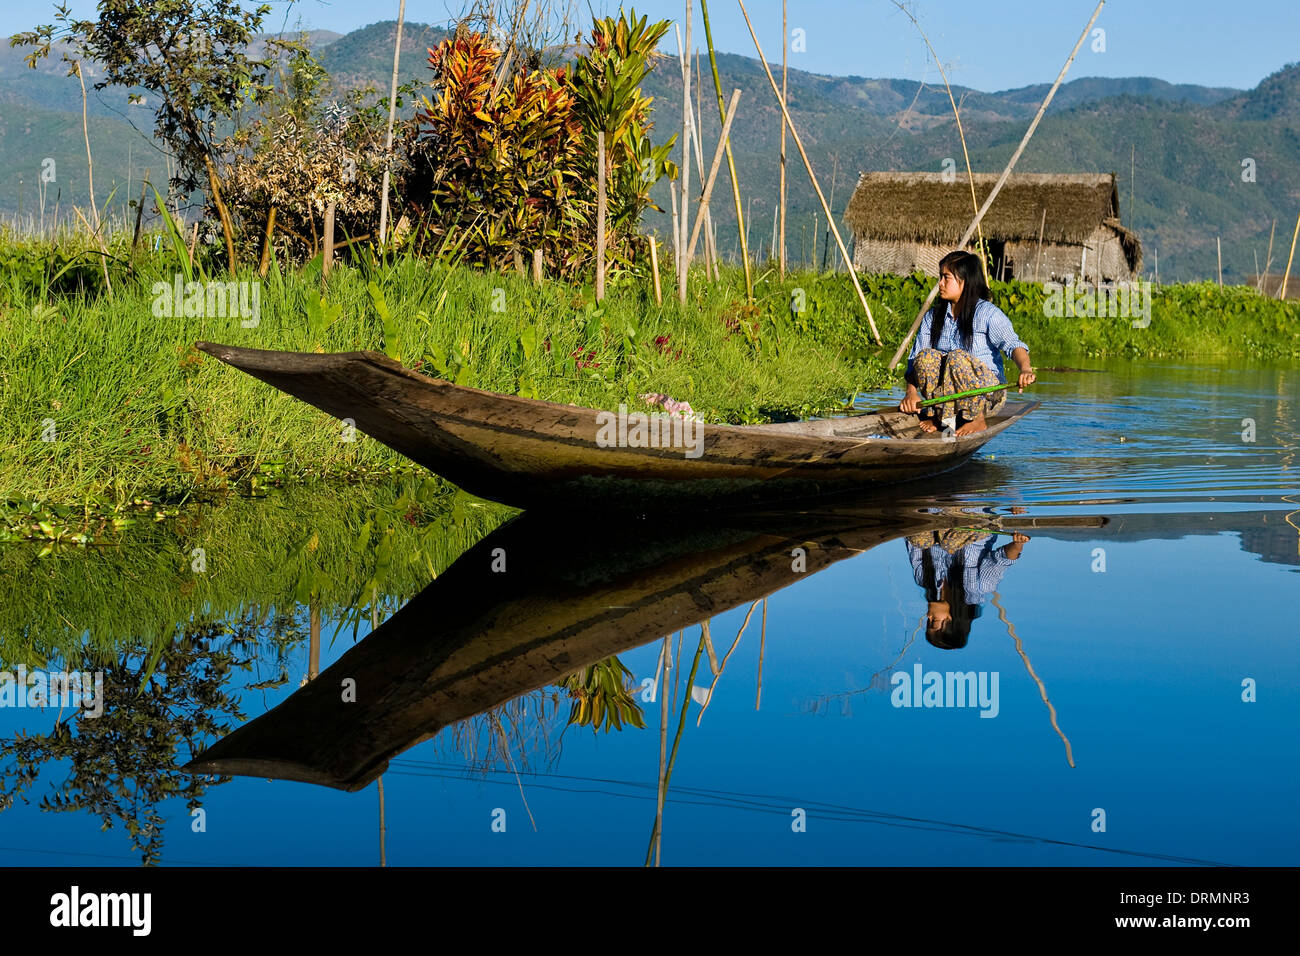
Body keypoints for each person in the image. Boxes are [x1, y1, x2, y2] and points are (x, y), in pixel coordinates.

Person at [899, 250, 1036, 436]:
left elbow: (1013, 345)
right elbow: (914, 359)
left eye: (946, 278)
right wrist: (911, 393)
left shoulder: (988, 314)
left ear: (964, 282)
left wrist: (1025, 369)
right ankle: (942, 416)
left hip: (987, 396)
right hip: (947, 399)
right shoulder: (933, 317)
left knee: (956, 357)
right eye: (940, 277)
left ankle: (977, 419)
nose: (940, 283)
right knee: (925, 357)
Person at [905, 528, 1029, 649]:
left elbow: (912, 544)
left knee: (918, 540)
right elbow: (1001, 560)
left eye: (928, 622)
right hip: (972, 522)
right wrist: (1018, 543)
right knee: (950, 543)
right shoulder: (978, 589)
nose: (928, 616)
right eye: (933, 622)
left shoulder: (923, 580)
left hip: (936, 516)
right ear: (950, 619)